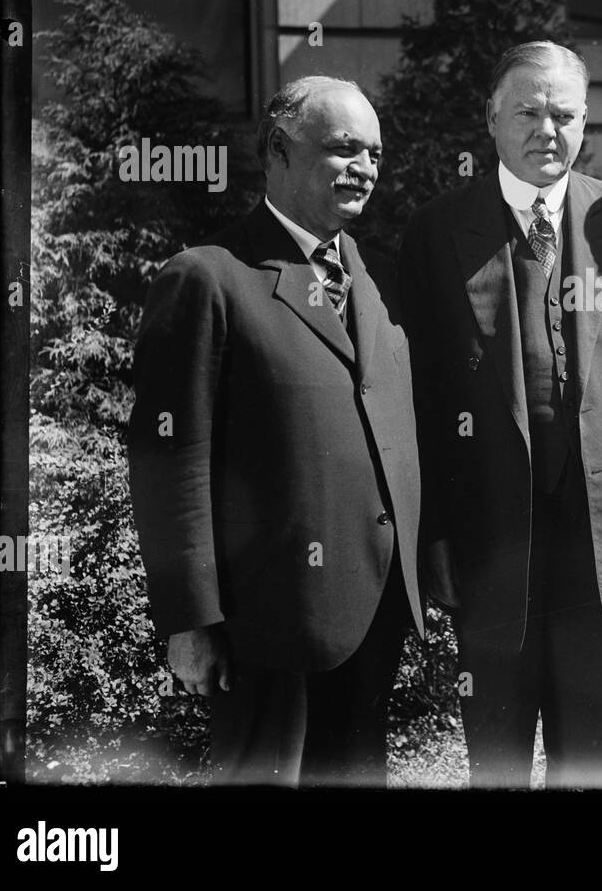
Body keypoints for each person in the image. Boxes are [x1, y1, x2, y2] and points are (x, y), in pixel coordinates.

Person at [398, 41, 602, 788]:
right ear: (492, 118)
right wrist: (430, 534)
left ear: (585, 122)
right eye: (527, 111)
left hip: (599, 541)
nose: (546, 129)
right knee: (493, 748)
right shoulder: (436, 230)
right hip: (490, 534)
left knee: (589, 747)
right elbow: (413, 399)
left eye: (563, 114)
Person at [128, 76, 424, 786]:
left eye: (376, 155)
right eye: (344, 148)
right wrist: (189, 618)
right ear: (279, 151)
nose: (366, 168)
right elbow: (172, 461)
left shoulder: (379, 279)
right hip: (264, 627)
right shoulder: (208, 278)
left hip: (373, 613)